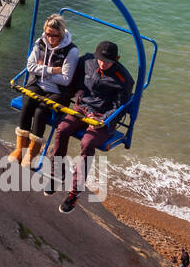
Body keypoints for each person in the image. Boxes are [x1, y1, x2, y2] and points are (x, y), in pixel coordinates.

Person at [50, 40, 134, 213]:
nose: (103, 64)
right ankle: (57, 172)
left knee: (87, 143)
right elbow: (77, 78)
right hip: (83, 107)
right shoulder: (88, 61)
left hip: (103, 118)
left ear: (117, 59)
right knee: (63, 129)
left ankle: (74, 192)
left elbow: (119, 107)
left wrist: (103, 118)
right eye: (101, 60)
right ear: (96, 54)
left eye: (109, 62)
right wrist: (78, 90)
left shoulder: (122, 79)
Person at [10, 14, 79, 170]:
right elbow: (30, 67)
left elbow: (66, 79)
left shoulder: (71, 51)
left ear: (61, 34)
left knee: (41, 111)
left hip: (58, 91)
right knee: (27, 102)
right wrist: (52, 70)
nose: (50, 39)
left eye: (54, 36)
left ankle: (31, 153)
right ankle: (20, 149)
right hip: (38, 83)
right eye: (48, 34)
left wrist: (42, 70)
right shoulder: (40, 43)